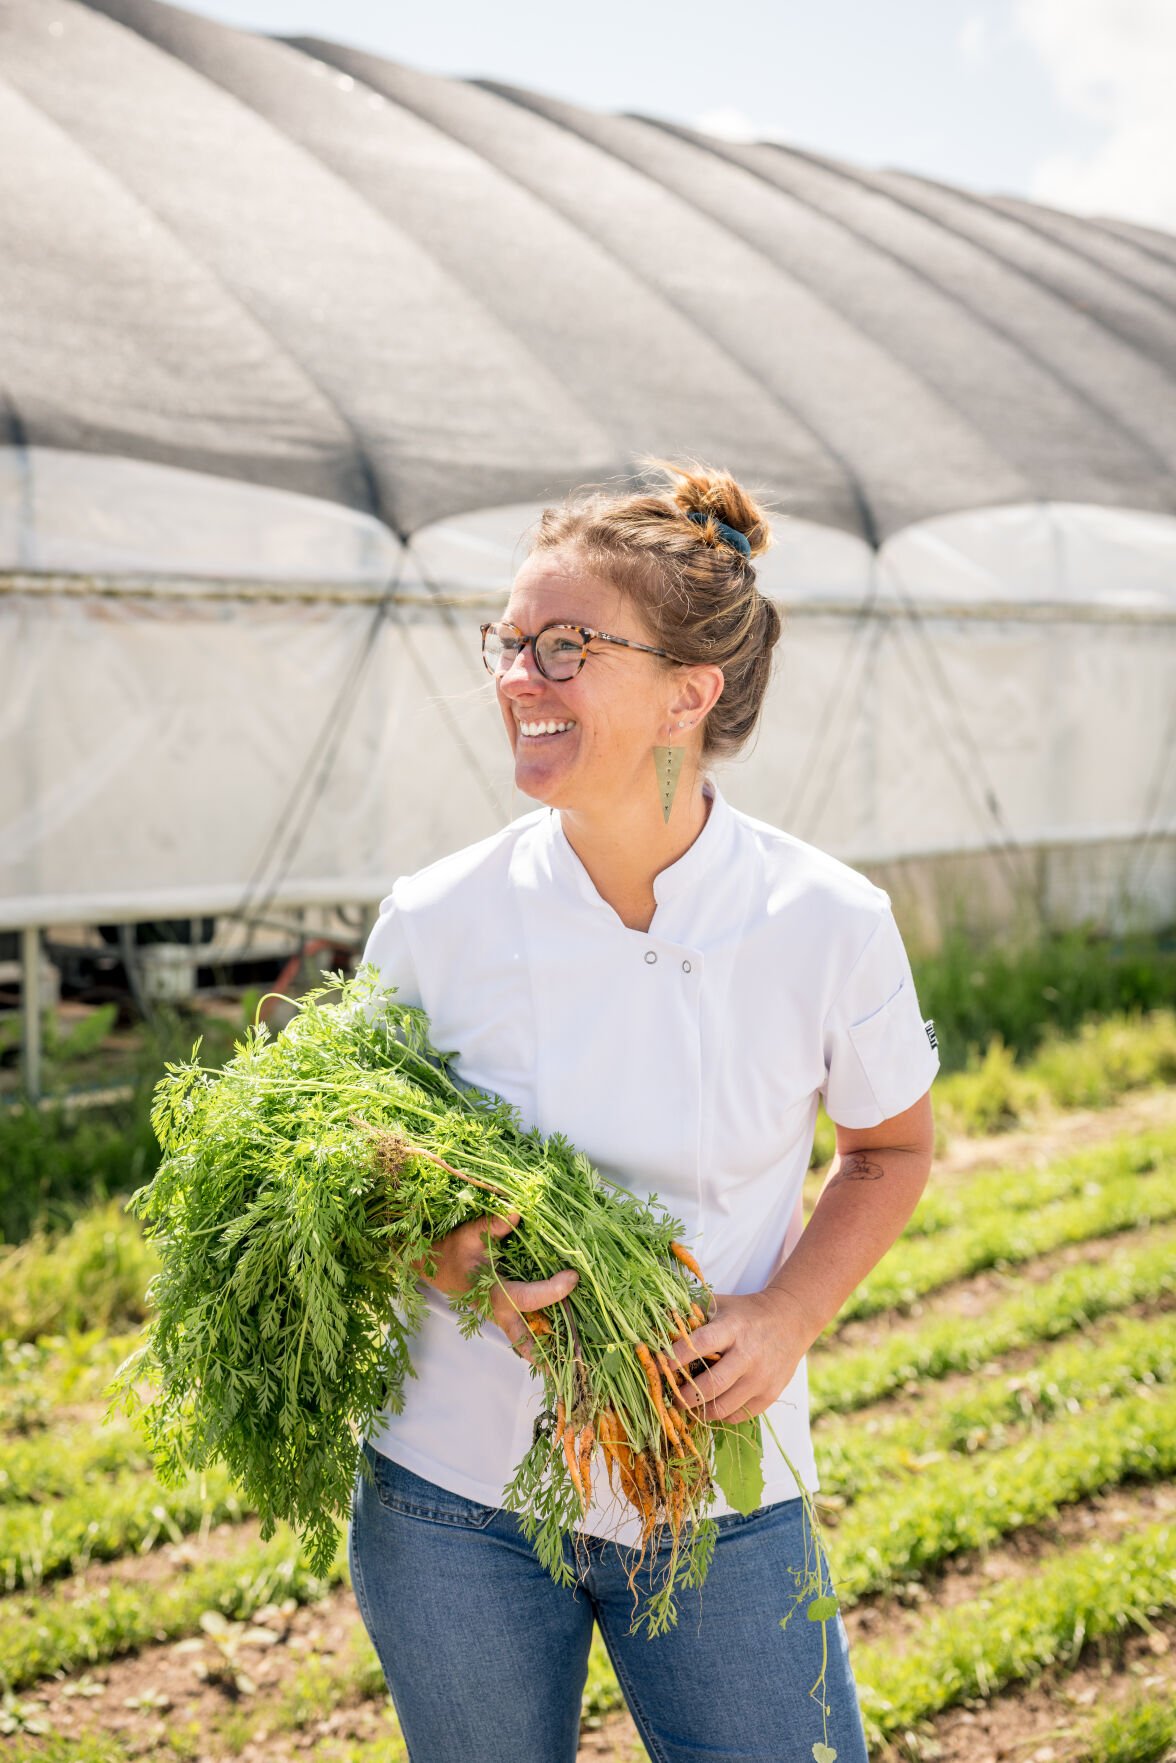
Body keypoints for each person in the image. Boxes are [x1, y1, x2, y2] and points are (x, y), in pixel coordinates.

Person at [350, 461, 939, 1763]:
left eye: (565, 645)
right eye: (509, 642)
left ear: (691, 691)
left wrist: (787, 1316)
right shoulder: (436, 918)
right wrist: (449, 1259)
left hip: (714, 1483)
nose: (518, 676)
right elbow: (362, 1159)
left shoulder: (824, 919)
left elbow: (891, 1148)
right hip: (456, 1493)